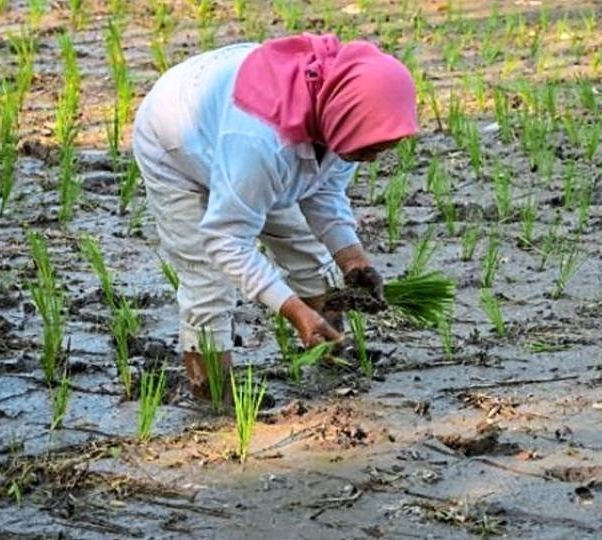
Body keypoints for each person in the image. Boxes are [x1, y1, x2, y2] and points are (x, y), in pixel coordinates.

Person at [132, 34, 417, 398]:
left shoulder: (342, 116)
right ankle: (213, 397)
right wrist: (292, 309)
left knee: (310, 256)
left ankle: (333, 356)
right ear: (345, 117)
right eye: (372, 148)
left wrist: (353, 259)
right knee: (207, 282)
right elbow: (226, 240)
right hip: (177, 139)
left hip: (241, 135)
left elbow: (323, 191)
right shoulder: (259, 144)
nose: (374, 158)